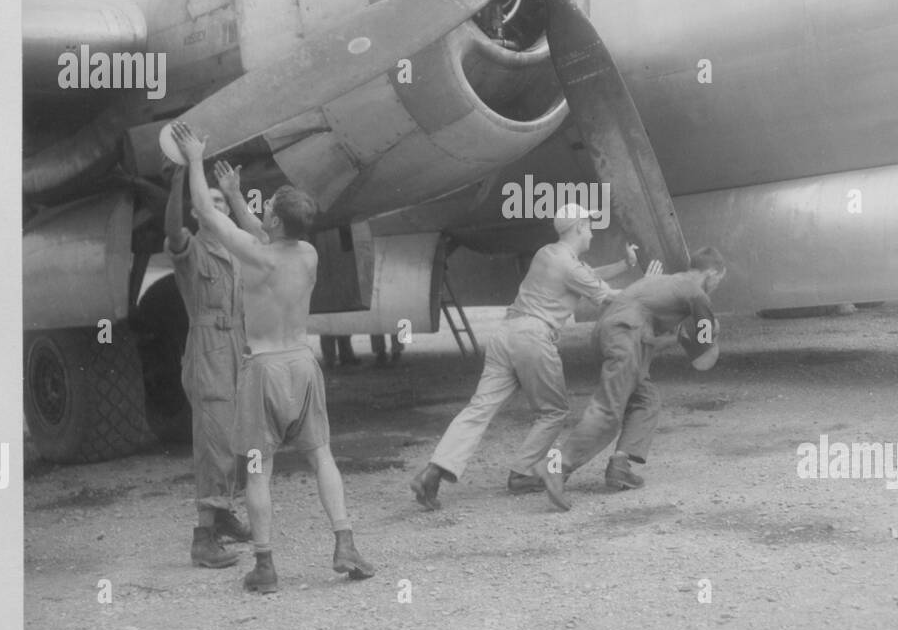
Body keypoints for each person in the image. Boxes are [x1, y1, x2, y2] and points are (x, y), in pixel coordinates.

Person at [170, 122, 375, 593]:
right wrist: (238, 196)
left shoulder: (254, 256)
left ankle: (265, 565)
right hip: (303, 364)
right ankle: (345, 542)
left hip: (262, 369)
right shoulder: (305, 255)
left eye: (267, 211)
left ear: (277, 222)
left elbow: (203, 210)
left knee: (258, 468)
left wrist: (197, 159)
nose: (260, 213)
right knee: (321, 456)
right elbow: (266, 233)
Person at [410, 204, 655, 511]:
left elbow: (588, 277)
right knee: (554, 411)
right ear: (578, 227)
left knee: (479, 408)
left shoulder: (547, 254)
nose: (592, 232)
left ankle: (434, 471)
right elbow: (607, 295)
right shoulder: (571, 267)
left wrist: (623, 264)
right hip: (534, 338)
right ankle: (523, 473)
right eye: (590, 226)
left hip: (505, 335)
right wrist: (649, 287)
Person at [543, 248, 727, 510]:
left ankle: (620, 464)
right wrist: (709, 332)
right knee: (609, 410)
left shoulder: (664, 283)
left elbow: (653, 336)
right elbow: (704, 352)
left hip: (612, 335)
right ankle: (557, 467)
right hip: (624, 337)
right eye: (720, 279)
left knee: (646, 399)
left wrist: (678, 336)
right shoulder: (696, 293)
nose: (718, 285)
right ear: (712, 273)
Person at [163, 161, 252, 570]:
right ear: (198, 210)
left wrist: (233, 192)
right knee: (213, 440)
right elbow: (173, 232)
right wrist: (179, 178)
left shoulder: (235, 251)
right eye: (209, 201)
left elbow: (263, 240)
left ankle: (223, 514)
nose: (216, 206)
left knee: (238, 436)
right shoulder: (192, 248)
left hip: (237, 346)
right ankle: (203, 536)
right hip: (209, 348)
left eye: (222, 203)